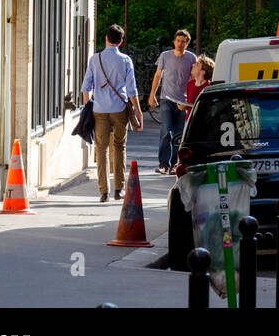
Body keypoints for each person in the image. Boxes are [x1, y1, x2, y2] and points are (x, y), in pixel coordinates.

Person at [81, 24, 142, 203]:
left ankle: (103, 192)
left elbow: (86, 88)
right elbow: (132, 90)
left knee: (101, 149)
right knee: (119, 147)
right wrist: (138, 112)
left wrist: (88, 107)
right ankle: (118, 189)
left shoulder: (95, 59)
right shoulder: (125, 60)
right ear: (121, 41)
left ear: (106, 39)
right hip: (119, 110)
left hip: (99, 110)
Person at [149, 30, 197, 175]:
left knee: (179, 134)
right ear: (174, 41)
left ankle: (176, 164)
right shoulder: (165, 56)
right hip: (166, 99)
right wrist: (152, 95)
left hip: (183, 101)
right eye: (178, 40)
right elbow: (158, 76)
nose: (180, 44)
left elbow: (194, 79)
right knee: (166, 131)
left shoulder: (191, 58)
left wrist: (192, 99)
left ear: (187, 43)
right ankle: (163, 163)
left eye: (183, 41)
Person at [184, 55, 215, 122]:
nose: (193, 65)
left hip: (202, 122)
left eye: (197, 64)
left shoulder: (208, 87)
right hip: (189, 122)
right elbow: (190, 103)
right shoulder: (190, 84)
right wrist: (184, 106)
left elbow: (206, 108)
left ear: (203, 72)